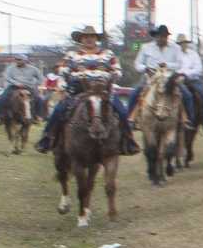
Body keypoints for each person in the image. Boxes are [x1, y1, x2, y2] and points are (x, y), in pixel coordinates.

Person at [36, 26, 136, 155]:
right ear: (81, 39)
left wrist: (110, 76)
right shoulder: (72, 54)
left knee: (121, 111)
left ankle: (128, 140)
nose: (89, 39)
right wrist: (66, 81)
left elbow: (117, 70)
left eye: (92, 37)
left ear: (96, 39)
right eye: (86, 37)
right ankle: (48, 138)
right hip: (80, 89)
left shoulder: (108, 54)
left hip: (103, 90)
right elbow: (62, 70)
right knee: (59, 109)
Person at [0, 53, 45, 121]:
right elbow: (7, 77)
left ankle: (38, 115)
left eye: (19, 60)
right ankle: (0, 116)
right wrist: (16, 83)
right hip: (13, 86)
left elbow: (41, 79)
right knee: (3, 97)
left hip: (28, 87)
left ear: (25, 61)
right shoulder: (11, 68)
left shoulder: (33, 69)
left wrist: (33, 84)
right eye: (16, 59)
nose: (17, 61)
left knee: (39, 99)